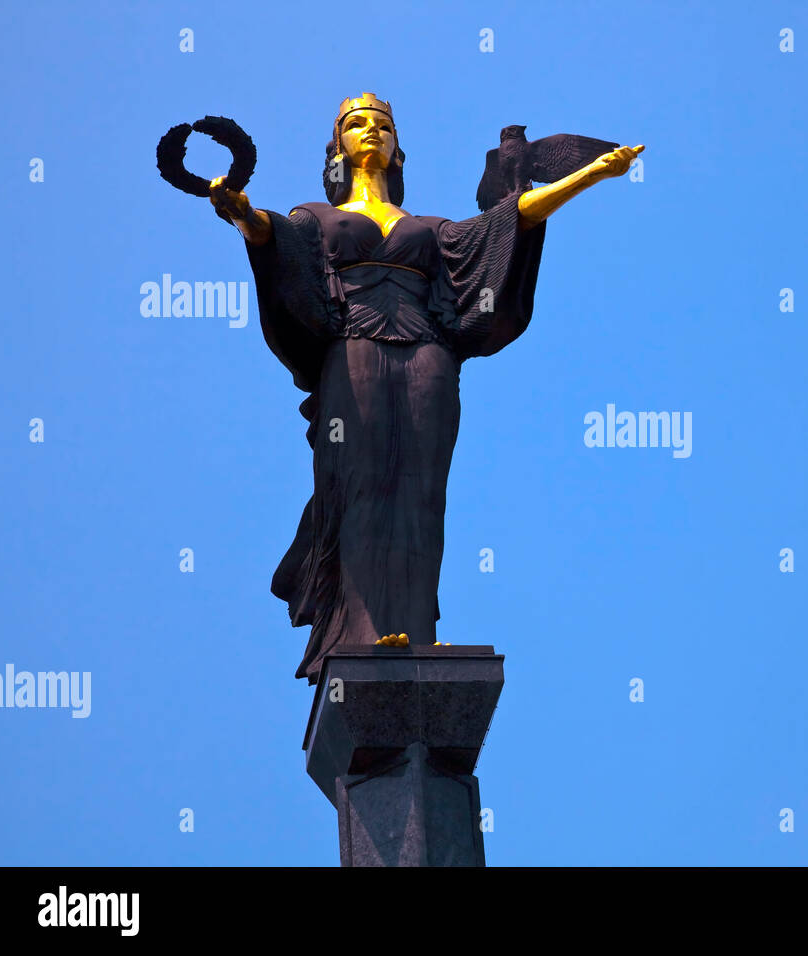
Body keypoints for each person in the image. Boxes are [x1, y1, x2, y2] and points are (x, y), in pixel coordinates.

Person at [209, 93, 642, 683]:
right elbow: (276, 239)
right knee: (363, 481)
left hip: (428, 358)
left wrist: (590, 174)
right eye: (357, 124)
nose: (370, 131)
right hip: (355, 350)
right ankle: (362, 633)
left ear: (397, 146)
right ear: (337, 145)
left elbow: (510, 220)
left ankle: (414, 632)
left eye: (382, 125)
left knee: (420, 495)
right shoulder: (313, 216)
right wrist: (241, 213)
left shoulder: (431, 229)